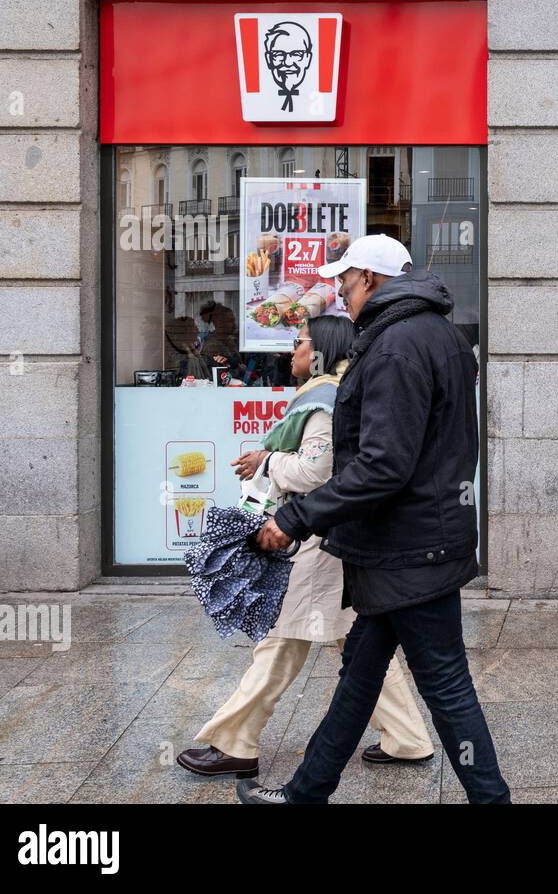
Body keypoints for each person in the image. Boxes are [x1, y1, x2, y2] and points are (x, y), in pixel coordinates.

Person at [238, 234, 510, 804]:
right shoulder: (438, 336)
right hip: (409, 544)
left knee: (447, 687)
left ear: (370, 278)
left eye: (345, 278)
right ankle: (304, 794)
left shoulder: (395, 346)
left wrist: (297, 519)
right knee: (359, 677)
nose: (338, 289)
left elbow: (383, 465)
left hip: (410, 548)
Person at [177, 314, 436, 781]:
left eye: (298, 342)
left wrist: (268, 459)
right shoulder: (333, 393)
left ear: (319, 350)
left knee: (281, 640)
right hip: (336, 534)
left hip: (317, 538)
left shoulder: (322, 400)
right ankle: (408, 738)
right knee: (358, 643)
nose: (290, 351)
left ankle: (234, 742)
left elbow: (316, 472)